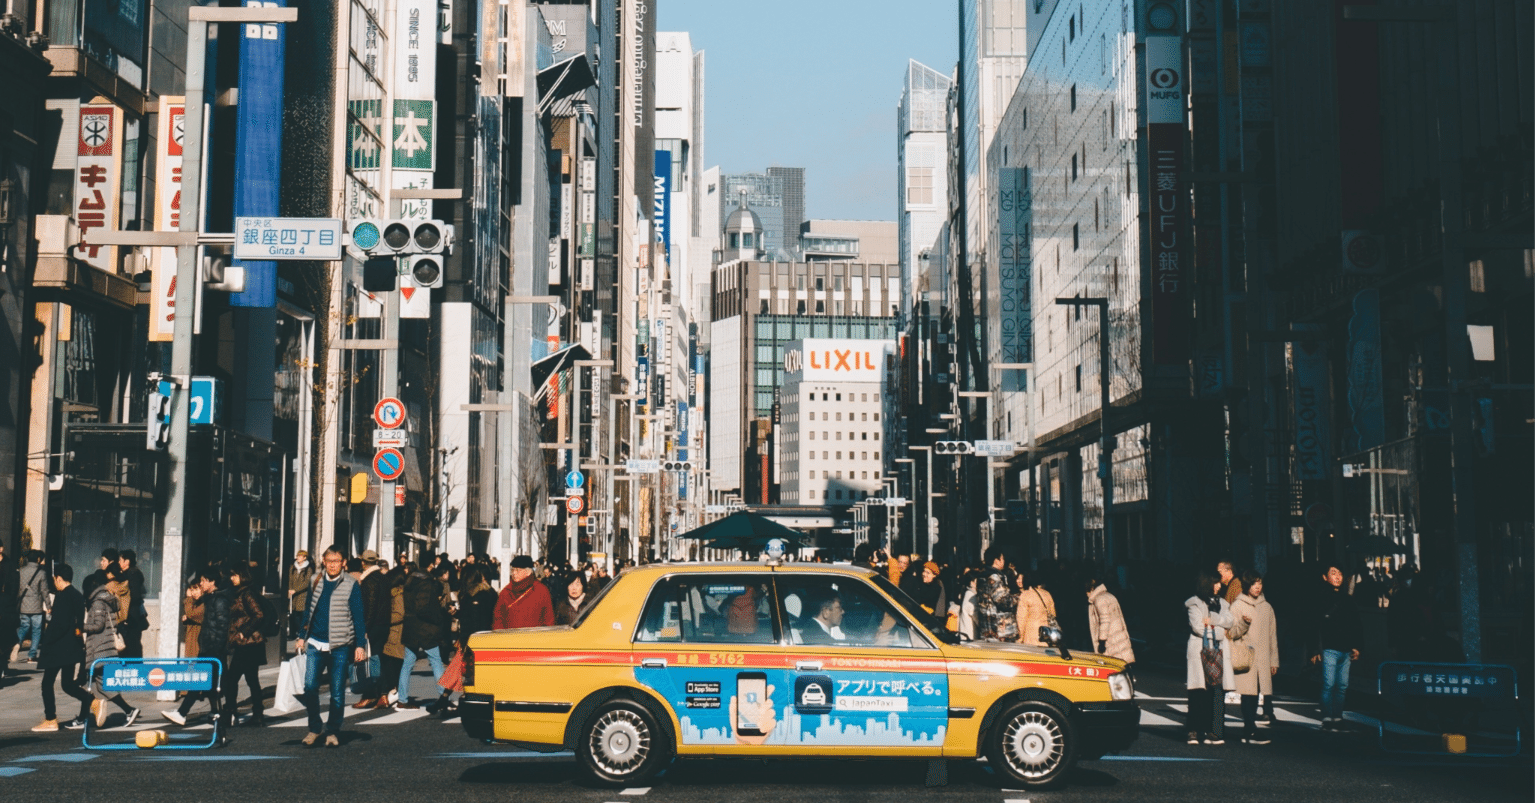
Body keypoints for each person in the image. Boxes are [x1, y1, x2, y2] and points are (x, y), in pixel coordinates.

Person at [294, 547, 368, 748]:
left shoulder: (351, 584)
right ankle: (315, 728)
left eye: (337, 560)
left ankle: (333, 731)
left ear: (343, 562)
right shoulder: (315, 580)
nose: (333, 564)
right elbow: (308, 610)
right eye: (329, 560)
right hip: (316, 643)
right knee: (310, 687)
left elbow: (358, 617)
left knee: (337, 691)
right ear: (323, 561)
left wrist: (360, 645)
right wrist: (302, 636)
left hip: (340, 645)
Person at [163, 568, 232, 742]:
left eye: (203, 580)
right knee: (208, 685)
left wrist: (214, 648)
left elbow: (222, 627)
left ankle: (183, 713)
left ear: (212, 582)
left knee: (200, 681)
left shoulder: (219, 600)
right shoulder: (211, 599)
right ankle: (218, 714)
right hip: (208, 648)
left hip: (213, 650)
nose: (201, 584)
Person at [31, 565, 95, 732]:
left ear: (59, 578)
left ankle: (50, 718)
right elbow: (78, 623)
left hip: (58, 647)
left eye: (54, 579)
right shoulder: (78, 595)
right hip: (72, 647)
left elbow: (58, 625)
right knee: (67, 684)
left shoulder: (62, 596)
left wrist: (46, 641)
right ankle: (92, 701)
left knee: (47, 683)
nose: (55, 582)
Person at [81, 564, 137, 728]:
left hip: (100, 649)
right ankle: (87, 715)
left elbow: (98, 626)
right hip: (105, 648)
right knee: (93, 684)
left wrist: (80, 627)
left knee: (101, 684)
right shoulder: (106, 599)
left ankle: (128, 710)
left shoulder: (98, 602)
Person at [1227, 572, 1279, 744]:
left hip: (1263, 657)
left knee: (1257, 693)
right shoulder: (1237, 606)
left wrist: (1274, 660)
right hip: (1245, 656)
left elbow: (1273, 636)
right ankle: (1249, 728)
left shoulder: (1267, 607)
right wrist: (1244, 623)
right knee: (1247, 694)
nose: (1257, 587)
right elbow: (1231, 633)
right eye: (1254, 583)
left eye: (1260, 583)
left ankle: (1249, 729)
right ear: (1247, 585)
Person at [1185, 572, 1235, 745]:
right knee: (1198, 691)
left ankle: (1214, 730)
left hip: (1219, 650)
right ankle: (1193, 729)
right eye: (1215, 583)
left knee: (1217, 690)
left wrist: (1213, 620)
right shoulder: (1194, 603)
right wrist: (1221, 629)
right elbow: (1198, 627)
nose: (1219, 586)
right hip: (1200, 651)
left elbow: (1230, 622)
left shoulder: (1223, 603)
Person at [1310, 564, 1362, 730]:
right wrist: (1314, 650)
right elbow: (1313, 625)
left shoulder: (1348, 599)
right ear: (1325, 577)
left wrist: (1356, 646)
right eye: (1333, 573)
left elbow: (1356, 624)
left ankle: (1337, 717)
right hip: (1328, 648)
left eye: (1340, 573)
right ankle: (1327, 716)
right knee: (1329, 684)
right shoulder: (1319, 598)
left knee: (1342, 686)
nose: (1338, 577)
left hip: (1346, 648)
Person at [397, 561, 449, 709]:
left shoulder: (409, 582)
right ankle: (443, 695)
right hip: (425, 629)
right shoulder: (426, 584)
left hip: (410, 627)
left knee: (407, 663)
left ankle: (402, 698)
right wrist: (437, 618)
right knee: (436, 661)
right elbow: (423, 608)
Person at [224, 561, 268, 726]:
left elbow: (259, 615)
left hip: (248, 643)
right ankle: (257, 713)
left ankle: (230, 711)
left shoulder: (247, 594)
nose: (232, 578)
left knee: (232, 678)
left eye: (235, 575)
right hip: (248, 643)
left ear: (242, 576)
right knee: (251, 679)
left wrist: (244, 631)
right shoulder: (240, 592)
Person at [353, 551, 391, 709]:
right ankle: (382, 693)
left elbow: (370, 606)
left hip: (373, 625)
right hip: (384, 623)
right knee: (379, 658)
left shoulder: (369, 580)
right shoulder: (383, 577)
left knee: (371, 660)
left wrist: (364, 628)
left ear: (363, 563)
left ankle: (372, 694)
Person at [492, 555, 554, 629]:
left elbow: (549, 620)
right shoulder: (506, 592)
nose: (514, 573)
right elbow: (498, 619)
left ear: (528, 572)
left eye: (518, 570)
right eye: (512, 570)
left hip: (535, 638)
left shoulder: (541, 591)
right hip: (510, 638)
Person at [974, 545, 1019, 641]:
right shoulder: (994, 578)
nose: (1003, 561)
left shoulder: (982, 577)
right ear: (996, 560)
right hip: (999, 630)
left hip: (987, 628)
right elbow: (1005, 601)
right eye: (1002, 558)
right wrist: (1020, 596)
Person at [1086, 577, 1135, 665]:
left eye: (1087, 591)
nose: (1087, 594)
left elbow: (1105, 621)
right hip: (1119, 637)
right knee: (1122, 667)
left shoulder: (1099, 600)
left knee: (1112, 668)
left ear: (1092, 589)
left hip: (1110, 641)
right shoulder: (1109, 595)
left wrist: (1102, 641)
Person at [16, 550, 49, 663]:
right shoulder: (41, 573)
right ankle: (32, 655)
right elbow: (44, 591)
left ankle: (16, 644)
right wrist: (48, 606)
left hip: (23, 605)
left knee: (23, 627)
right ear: (38, 559)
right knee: (36, 631)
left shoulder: (21, 571)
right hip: (36, 606)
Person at [116, 550, 148, 658]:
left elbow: (134, 596)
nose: (118, 562)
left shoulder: (132, 573)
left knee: (131, 645)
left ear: (127, 561)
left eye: (120, 560)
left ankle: (134, 669)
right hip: (129, 616)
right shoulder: (129, 573)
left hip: (131, 617)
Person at [1017, 570, 1057, 647]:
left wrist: (1020, 638)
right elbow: (1053, 614)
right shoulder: (1047, 594)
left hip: (1031, 635)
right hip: (1047, 634)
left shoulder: (1025, 595)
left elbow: (1021, 620)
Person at [287, 551, 314, 639]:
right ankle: (292, 634)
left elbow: (306, 583)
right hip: (292, 595)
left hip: (302, 595)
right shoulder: (293, 567)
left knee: (301, 615)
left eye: (300, 556)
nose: (297, 557)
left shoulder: (308, 569)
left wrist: (296, 590)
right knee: (292, 614)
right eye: (297, 556)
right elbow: (290, 579)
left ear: (304, 557)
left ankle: (301, 633)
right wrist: (290, 589)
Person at [0, 543, 18, 671]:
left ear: (1, 548)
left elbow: (14, 588)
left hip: (5, 606)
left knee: (3, 637)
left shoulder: (9, 566)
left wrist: (9, 602)